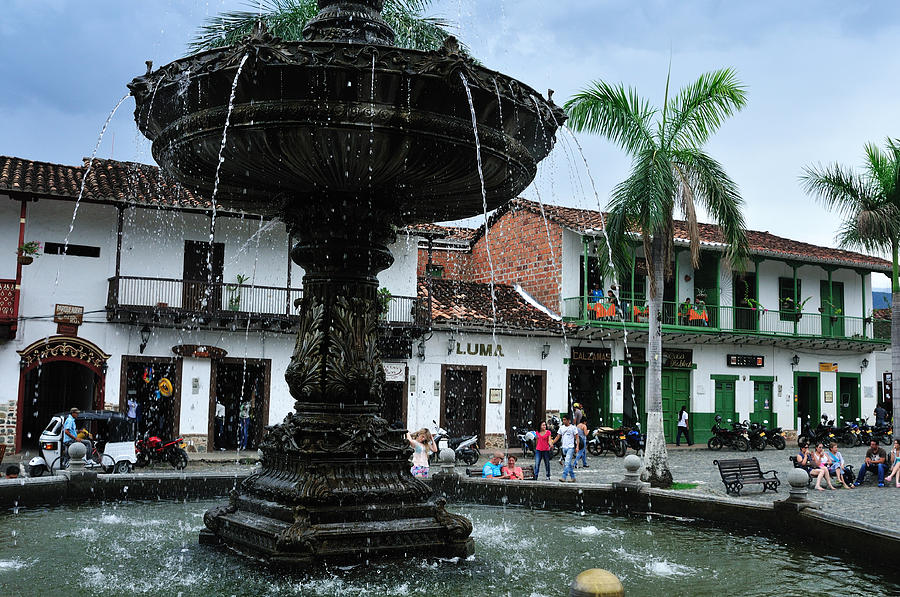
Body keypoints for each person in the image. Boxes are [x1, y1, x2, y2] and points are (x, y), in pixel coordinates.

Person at [554, 415, 579, 483]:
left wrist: (577, 446)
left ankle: (564, 477)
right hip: (564, 447)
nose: (563, 421)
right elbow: (558, 436)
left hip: (570, 447)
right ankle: (573, 477)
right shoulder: (561, 428)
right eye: (563, 419)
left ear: (568, 420)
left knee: (567, 462)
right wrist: (552, 443)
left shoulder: (573, 428)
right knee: (568, 464)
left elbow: (577, 438)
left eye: (565, 420)